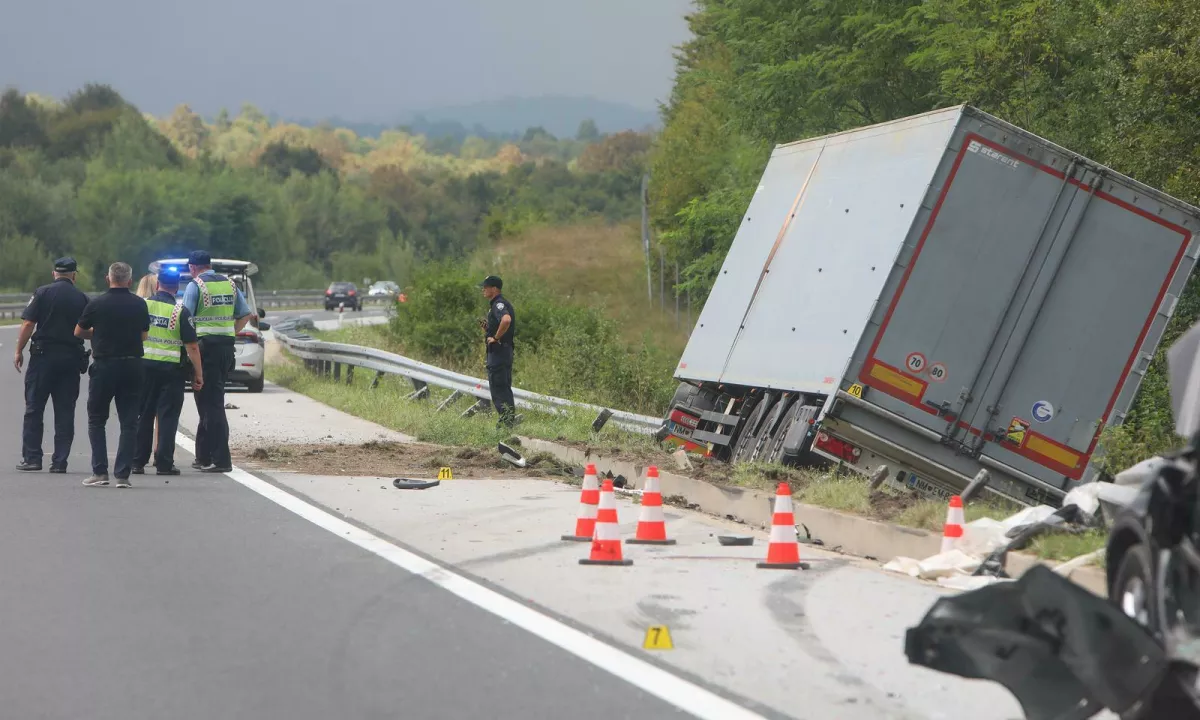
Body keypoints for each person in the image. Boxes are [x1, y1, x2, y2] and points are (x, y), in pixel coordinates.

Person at [75, 262, 150, 488]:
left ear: (108, 279)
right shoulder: (139, 304)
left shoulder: (96, 303)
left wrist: (98, 334)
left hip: (105, 366)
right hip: (132, 366)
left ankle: (100, 472)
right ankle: (123, 475)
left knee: (97, 420)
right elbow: (144, 336)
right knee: (129, 422)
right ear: (129, 280)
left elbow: (78, 331)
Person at [13, 257, 90, 473]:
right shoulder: (82, 298)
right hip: (70, 359)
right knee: (65, 411)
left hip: (43, 358)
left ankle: (32, 458)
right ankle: (59, 461)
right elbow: (89, 330)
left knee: (34, 408)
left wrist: (18, 350)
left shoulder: (42, 293)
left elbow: (29, 323)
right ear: (74, 275)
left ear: (54, 273)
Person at [180, 250, 252, 473]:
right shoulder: (230, 285)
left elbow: (185, 317)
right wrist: (230, 332)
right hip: (225, 349)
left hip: (205, 349)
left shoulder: (196, 286)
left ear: (193, 267)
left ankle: (222, 460)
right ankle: (203, 455)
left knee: (212, 405)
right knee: (208, 401)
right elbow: (246, 314)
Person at [132, 266, 203, 476]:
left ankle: (137, 462)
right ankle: (164, 463)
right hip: (171, 372)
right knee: (168, 417)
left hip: (144, 368)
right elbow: (192, 346)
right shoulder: (180, 311)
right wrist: (198, 373)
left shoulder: (142, 305)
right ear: (177, 287)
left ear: (157, 284)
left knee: (143, 415)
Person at [479, 275, 518, 428]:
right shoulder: (498, 304)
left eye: (486, 286)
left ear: (494, 289)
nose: (483, 289)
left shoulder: (499, 304)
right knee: (503, 388)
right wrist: (489, 329)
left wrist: (495, 337)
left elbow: (506, 320)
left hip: (499, 353)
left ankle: (505, 425)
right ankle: (507, 422)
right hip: (503, 352)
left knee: (499, 389)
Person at [133, 272, 161, 459]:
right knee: (161, 413)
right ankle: (159, 451)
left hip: (138, 362)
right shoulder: (165, 307)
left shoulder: (135, 307)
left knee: (139, 412)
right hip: (164, 362)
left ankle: (137, 453)